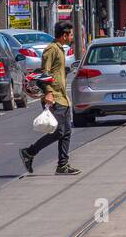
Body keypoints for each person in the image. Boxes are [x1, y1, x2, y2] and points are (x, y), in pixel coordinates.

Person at [19, 22, 80, 176]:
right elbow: (43, 74)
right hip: (55, 97)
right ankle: (29, 152)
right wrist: (48, 92)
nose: (72, 37)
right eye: (71, 34)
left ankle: (63, 165)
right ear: (64, 35)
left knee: (66, 132)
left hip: (63, 98)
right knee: (59, 131)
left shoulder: (60, 49)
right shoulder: (51, 50)